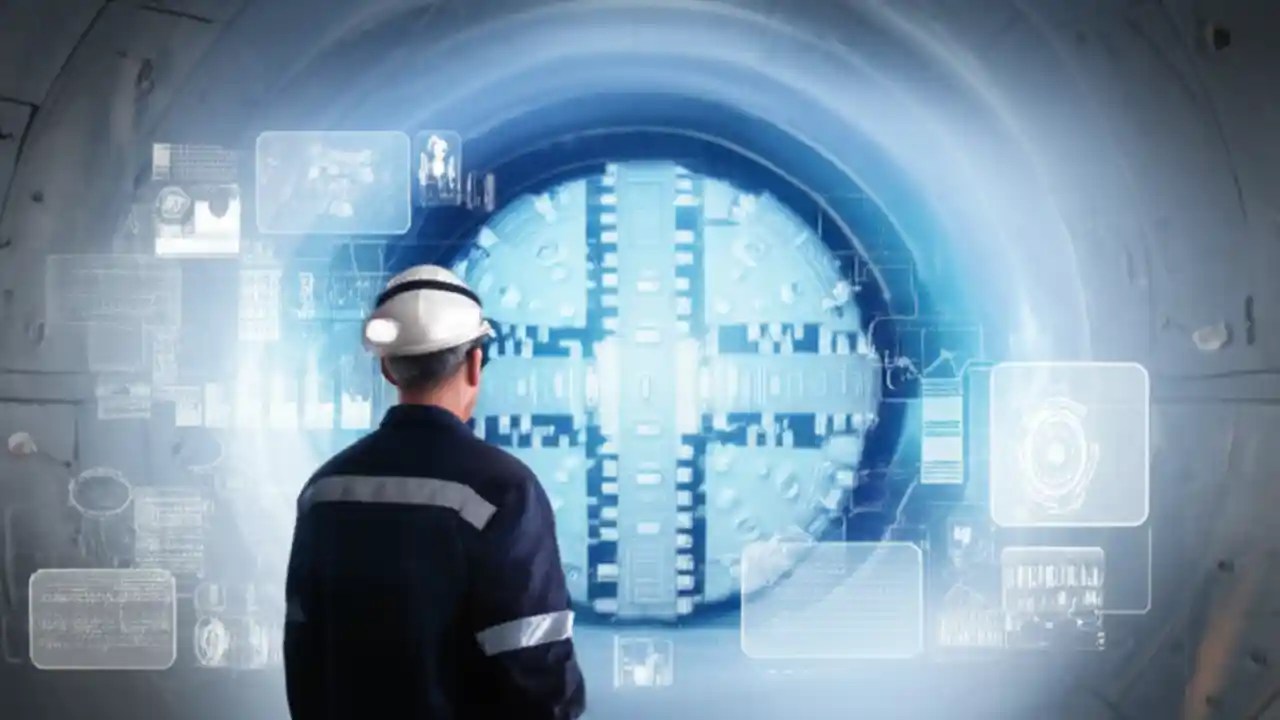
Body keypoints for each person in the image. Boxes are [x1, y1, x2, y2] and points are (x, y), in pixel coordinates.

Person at [284, 264, 586, 719]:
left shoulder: (323, 491)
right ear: (474, 363)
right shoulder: (502, 492)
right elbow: (538, 679)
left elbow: (303, 659)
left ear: (388, 368)